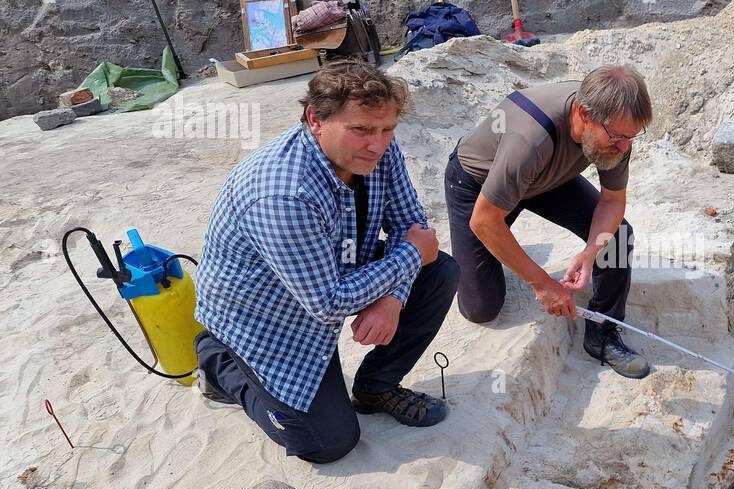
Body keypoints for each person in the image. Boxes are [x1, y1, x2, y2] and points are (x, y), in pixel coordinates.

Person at [193, 60, 460, 464]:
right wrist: (408, 257)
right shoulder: (283, 194)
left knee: (439, 270)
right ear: (315, 120)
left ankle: (376, 386)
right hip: (266, 320)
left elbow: (412, 226)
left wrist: (393, 299)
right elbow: (328, 302)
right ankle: (218, 363)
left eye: (387, 129)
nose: (378, 143)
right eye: (362, 130)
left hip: (331, 274)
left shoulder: (378, 152)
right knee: (326, 443)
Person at [445, 65, 652, 378]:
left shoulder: (616, 128)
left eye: (630, 137)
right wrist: (542, 283)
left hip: (546, 180)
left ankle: (603, 330)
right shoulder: (529, 140)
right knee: (481, 308)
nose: (624, 147)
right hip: (480, 185)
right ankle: (493, 253)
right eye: (617, 137)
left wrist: (590, 253)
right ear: (584, 114)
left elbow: (612, 202)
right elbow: (485, 221)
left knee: (618, 237)